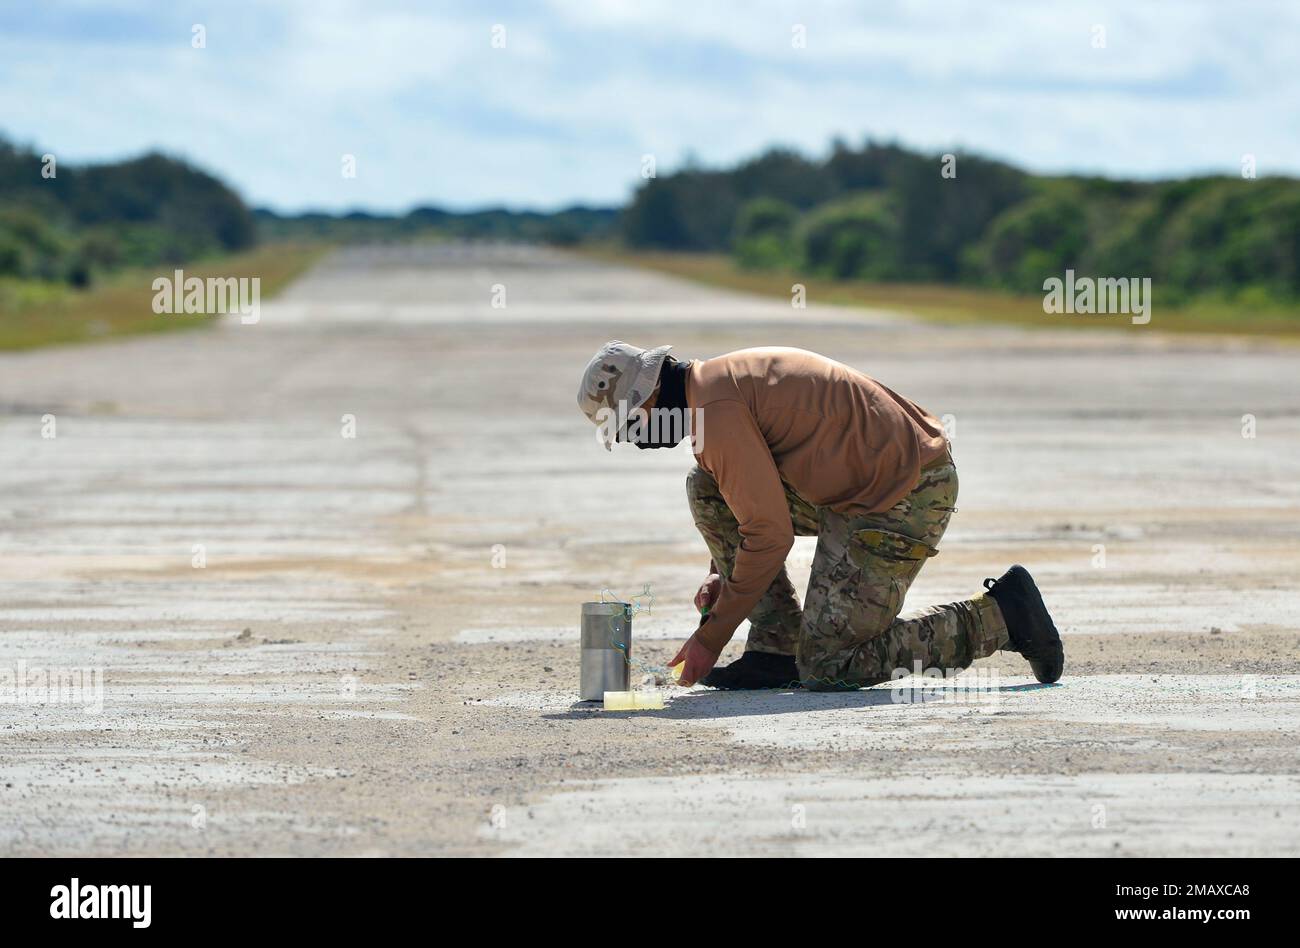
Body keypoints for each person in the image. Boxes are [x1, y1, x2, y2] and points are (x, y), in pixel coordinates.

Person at [576, 341, 1064, 691]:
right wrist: (721, 576)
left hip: (905, 495)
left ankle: (1001, 616)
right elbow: (744, 501)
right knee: (706, 488)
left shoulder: (713, 413)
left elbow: (768, 535)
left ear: (646, 401)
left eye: (629, 427)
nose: (635, 441)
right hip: (863, 485)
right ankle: (775, 648)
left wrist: (709, 638)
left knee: (831, 666)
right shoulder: (713, 388)